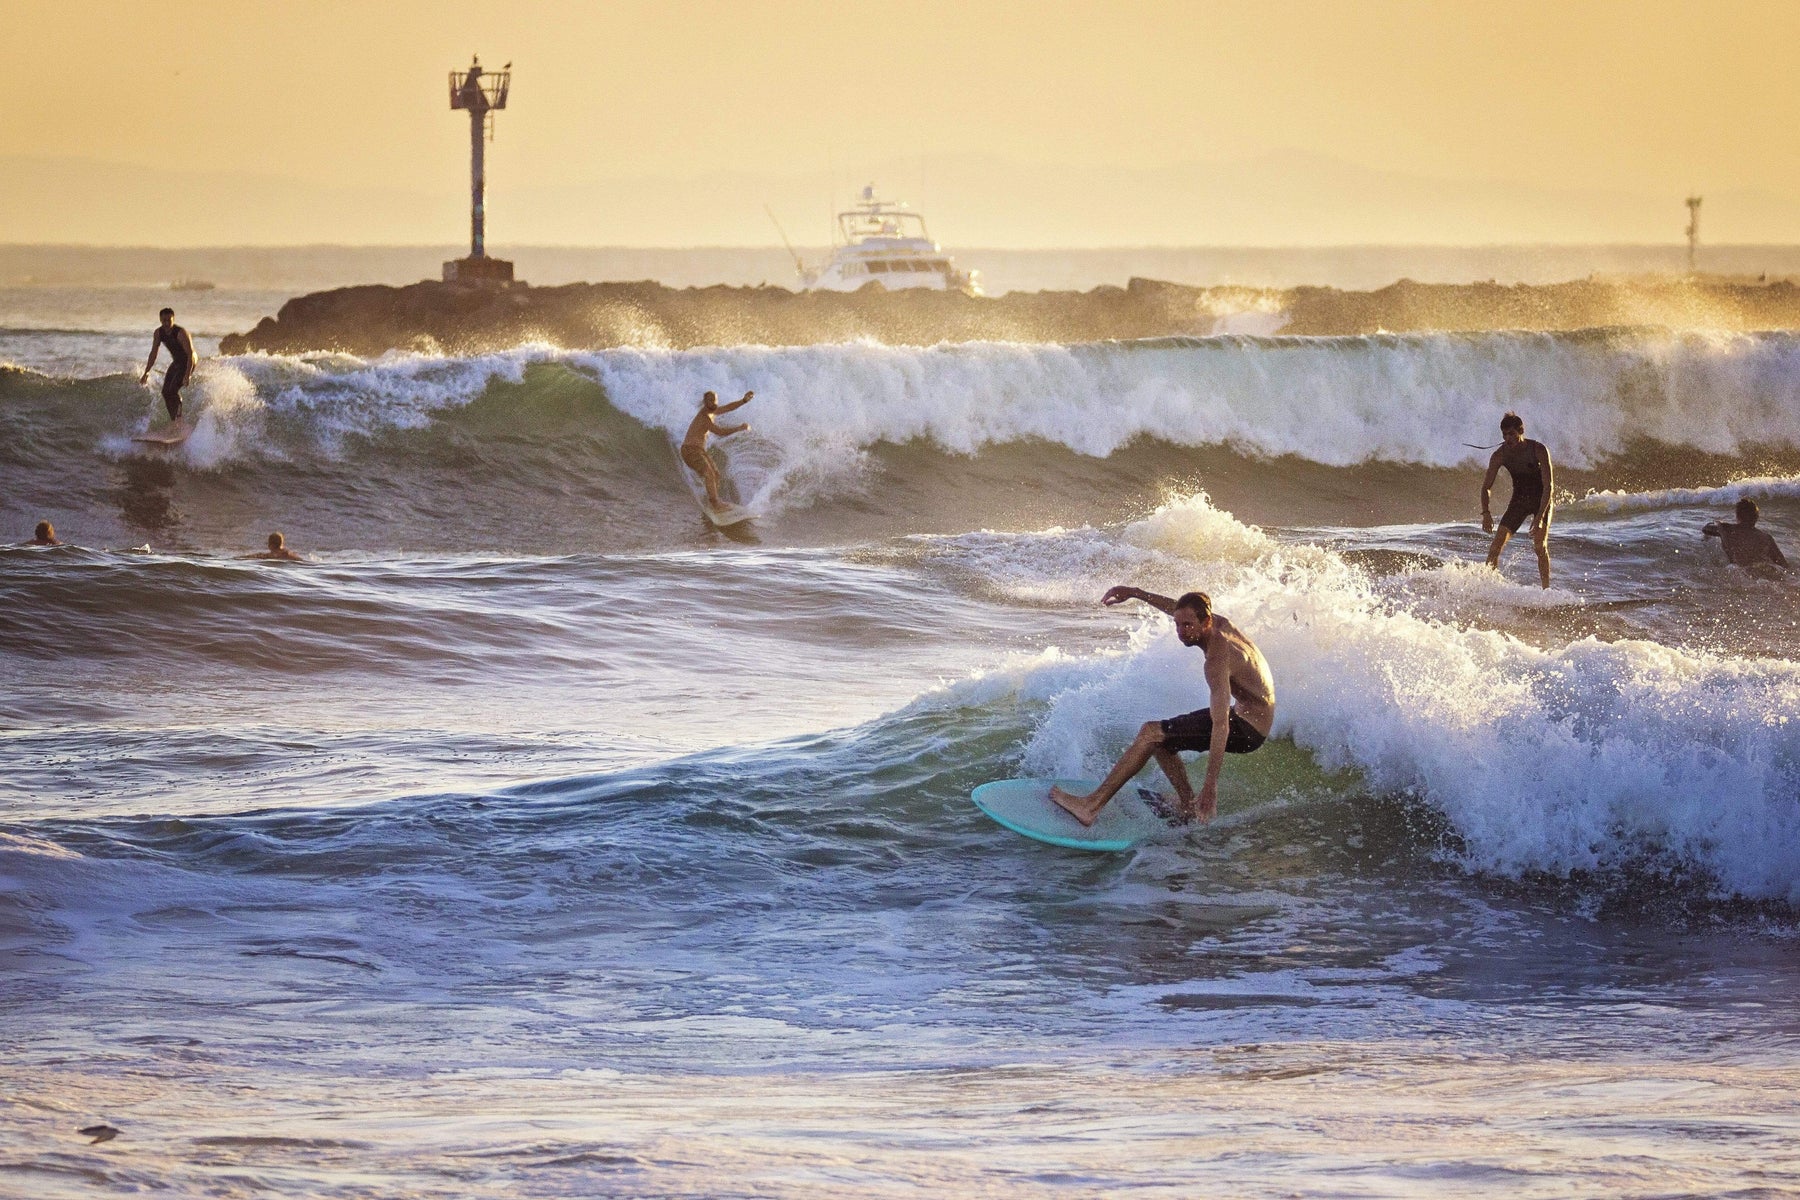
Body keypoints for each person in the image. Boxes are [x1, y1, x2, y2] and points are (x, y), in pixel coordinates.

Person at [1050, 586, 1276, 827]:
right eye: (1178, 625)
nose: (1181, 632)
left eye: (1188, 626)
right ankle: (1188, 806)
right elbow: (1177, 609)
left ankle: (1091, 806)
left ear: (1205, 621)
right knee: (1161, 737)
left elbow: (1221, 725)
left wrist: (1210, 787)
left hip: (1246, 728)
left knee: (1151, 733)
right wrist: (1135, 593)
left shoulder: (1217, 660)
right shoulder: (1217, 623)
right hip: (1250, 717)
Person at [1480, 411, 1555, 588]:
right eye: (1504, 435)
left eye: (1512, 434)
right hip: (1519, 501)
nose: (1508, 439)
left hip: (1541, 500)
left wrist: (1538, 519)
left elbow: (1549, 486)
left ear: (1521, 432)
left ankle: (1546, 591)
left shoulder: (1538, 449)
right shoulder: (1500, 455)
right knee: (1494, 549)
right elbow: (1486, 487)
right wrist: (1486, 513)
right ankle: (1490, 589)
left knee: (1539, 546)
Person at [680, 390, 752, 508]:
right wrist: (739, 428)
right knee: (709, 473)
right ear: (705, 402)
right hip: (690, 450)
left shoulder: (712, 411)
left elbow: (728, 407)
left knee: (715, 475)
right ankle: (715, 503)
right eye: (710, 400)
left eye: (715, 400)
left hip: (699, 451)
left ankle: (712, 500)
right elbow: (720, 432)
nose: (713, 403)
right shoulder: (704, 417)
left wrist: (743, 401)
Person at [139, 307, 197, 428]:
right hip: (177, 362)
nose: (166, 323)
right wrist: (146, 372)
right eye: (163, 320)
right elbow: (153, 354)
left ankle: (179, 419)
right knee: (165, 392)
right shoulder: (158, 333)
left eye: (168, 320)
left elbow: (190, 354)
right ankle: (174, 421)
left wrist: (187, 375)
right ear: (160, 319)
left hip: (189, 360)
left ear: (173, 319)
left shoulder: (181, 333)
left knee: (173, 390)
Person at [1704, 498, 1788, 574]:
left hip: (1736, 573)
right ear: (1756, 517)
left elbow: (1706, 529)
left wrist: (1718, 524)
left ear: (1738, 516)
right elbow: (1783, 565)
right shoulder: (1766, 537)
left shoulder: (1727, 530)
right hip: (1761, 574)